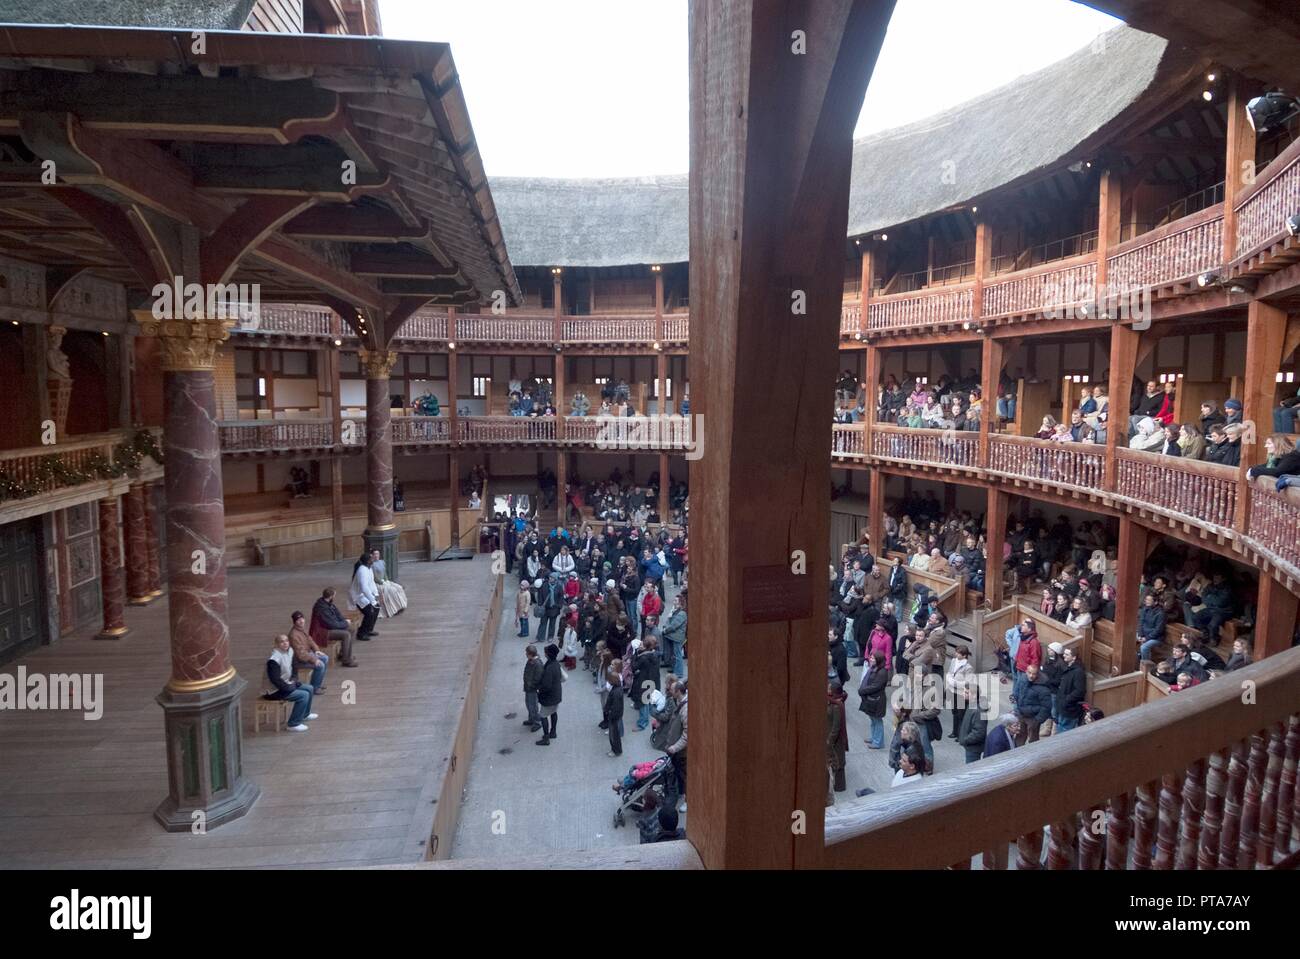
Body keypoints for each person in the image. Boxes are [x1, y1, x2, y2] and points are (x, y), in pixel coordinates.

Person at [263, 634, 317, 732]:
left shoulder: (290, 651)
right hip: (274, 690)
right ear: (276, 644)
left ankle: (305, 714)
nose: (285, 643)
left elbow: (294, 668)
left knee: (309, 688)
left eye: (286, 641)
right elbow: (275, 680)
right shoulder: (274, 659)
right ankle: (293, 723)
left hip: (287, 684)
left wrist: (294, 679)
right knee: (303, 695)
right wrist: (289, 687)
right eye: (282, 641)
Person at [309, 587, 358, 667]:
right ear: (331, 596)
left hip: (328, 627)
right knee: (346, 634)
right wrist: (345, 623)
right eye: (334, 595)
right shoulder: (321, 608)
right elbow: (331, 624)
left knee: (351, 630)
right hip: (321, 632)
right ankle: (346, 660)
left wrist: (344, 621)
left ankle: (343, 654)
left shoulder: (328, 604)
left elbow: (338, 615)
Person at [288, 611, 328, 694]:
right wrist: (314, 660)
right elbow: (300, 654)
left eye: (302, 619)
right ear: (295, 622)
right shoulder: (293, 635)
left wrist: (317, 651)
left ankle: (317, 683)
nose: (301, 621)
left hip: (307, 654)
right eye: (298, 620)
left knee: (325, 658)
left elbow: (310, 640)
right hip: (299, 660)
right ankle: (314, 688)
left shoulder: (302, 629)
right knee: (320, 665)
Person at [664, 682, 688, 813]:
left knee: (685, 775)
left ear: (678, 691)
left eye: (672, 689)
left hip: (681, 752)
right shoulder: (679, 702)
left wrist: (674, 748)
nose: (669, 690)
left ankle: (687, 800)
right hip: (677, 751)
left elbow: (686, 735)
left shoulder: (686, 709)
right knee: (679, 773)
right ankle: (680, 792)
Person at [857, 651, 890, 749]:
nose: (870, 659)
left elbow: (875, 686)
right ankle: (874, 737)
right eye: (870, 658)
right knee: (872, 719)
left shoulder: (882, 672)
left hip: (877, 700)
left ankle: (878, 742)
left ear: (878, 660)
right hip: (871, 699)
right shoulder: (873, 668)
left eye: (873, 658)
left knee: (877, 720)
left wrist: (862, 690)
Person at [1013, 664, 1052, 743]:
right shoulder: (1022, 679)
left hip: (1033, 718)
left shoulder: (1043, 688)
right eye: (1029, 673)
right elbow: (1016, 692)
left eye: (1033, 674)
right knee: (1019, 738)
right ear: (1026, 672)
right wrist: (1017, 708)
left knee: (1033, 741)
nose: (1031, 676)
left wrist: (1037, 720)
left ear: (1037, 674)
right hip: (1021, 714)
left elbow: (1046, 707)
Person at [535, 643, 563, 745]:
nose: (545, 654)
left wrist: (539, 691)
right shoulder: (555, 664)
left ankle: (546, 738)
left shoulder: (550, 667)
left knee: (543, 716)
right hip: (556, 694)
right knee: (553, 712)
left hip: (549, 697)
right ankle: (553, 732)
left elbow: (546, 685)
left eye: (546, 652)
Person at [826, 679, 849, 803]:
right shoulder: (833, 701)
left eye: (829, 688)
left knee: (838, 761)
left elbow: (836, 726)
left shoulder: (837, 705)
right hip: (830, 735)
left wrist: (830, 740)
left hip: (835, 739)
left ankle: (839, 785)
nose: (828, 689)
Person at [349, 552, 380, 641]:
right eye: (371, 558)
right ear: (367, 561)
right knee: (369, 613)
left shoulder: (369, 568)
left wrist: (376, 594)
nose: (373, 559)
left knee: (376, 608)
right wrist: (372, 600)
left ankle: (369, 629)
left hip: (366, 595)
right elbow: (364, 587)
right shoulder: (362, 570)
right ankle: (361, 633)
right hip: (358, 596)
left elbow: (371, 582)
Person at [1056, 647, 1087, 731]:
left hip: (1070, 709)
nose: (1064, 655)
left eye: (1067, 654)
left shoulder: (1078, 672)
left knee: (1065, 733)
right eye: (1064, 653)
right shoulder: (1068, 668)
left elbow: (1080, 691)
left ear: (1074, 657)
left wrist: (1066, 700)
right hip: (1063, 707)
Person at [370, 549, 407, 617]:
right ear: (372, 555)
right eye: (375, 554)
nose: (376, 555)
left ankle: (400, 606)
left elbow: (384, 573)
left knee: (398, 588)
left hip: (384, 581)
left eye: (377, 554)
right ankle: (393, 609)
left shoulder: (382, 562)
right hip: (378, 583)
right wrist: (382, 582)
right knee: (391, 590)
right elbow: (374, 577)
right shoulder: (371, 565)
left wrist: (387, 580)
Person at [660, 593, 687, 677]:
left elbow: (674, 626)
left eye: (675, 600)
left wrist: (665, 630)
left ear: (680, 603)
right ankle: (675, 669)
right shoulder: (675, 611)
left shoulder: (682, 613)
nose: (674, 602)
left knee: (678, 655)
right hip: (673, 636)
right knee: (674, 654)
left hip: (677, 637)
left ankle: (679, 673)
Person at [604, 660, 626, 757]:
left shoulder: (616, 692)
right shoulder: (617, 688)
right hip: (615, 715)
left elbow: (616, 707)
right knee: (614, 734)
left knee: (614, 735)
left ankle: (616, 750)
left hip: (614, 716)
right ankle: (615, 749)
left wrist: (610, 713)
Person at [1137, 591, 1167, 662]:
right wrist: (1140, 634)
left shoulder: (1161, 613)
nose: (1146, 601)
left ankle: (1146, 665)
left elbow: (1158, 630)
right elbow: (1141, 622)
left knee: (1144, 647)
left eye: (1149, 600)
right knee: (1128, 639)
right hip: (1144, 634)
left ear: (1155, 602)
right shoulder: (1145, 609)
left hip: (1156, 638)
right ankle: (1136, 658)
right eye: (1146, 600)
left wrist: (1147, 638)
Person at [958, 696, 989, 764]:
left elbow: (979, 733)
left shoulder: (979, 711)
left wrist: (965, 740)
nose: (963, 694)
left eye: (966, 692)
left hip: (973, 748)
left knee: (971, 769)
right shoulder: (971, 705)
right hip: (970, 746)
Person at [522, 644, 543, 732]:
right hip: (528, 687)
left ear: (531, 654)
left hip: (532, 689)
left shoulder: (537, 664)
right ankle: (531, 719)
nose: (525, 654)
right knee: (528, 704)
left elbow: (537, 678)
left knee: (533, 706)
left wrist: (530, 685)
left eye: (527, 653)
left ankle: (537, 722)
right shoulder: (530, 661)